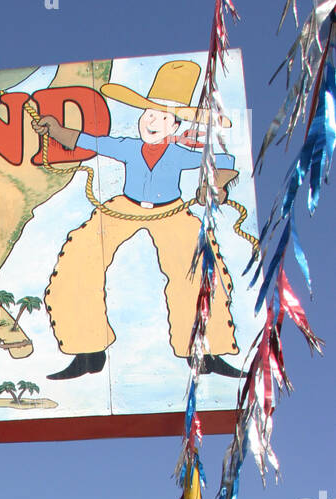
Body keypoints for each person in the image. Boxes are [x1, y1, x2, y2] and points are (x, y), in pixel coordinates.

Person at [34, 60, 244, 380]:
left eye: (162, 116)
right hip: (125, 207)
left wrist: (214, 185)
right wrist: (54, 128)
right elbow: (89, 141)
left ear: (175, 125)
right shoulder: (130, 148)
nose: (152, 121)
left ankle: (207, 350)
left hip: (170, 210)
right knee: (79, 255)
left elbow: (224, 161)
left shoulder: (180, 152)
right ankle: (87, 350)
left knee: (200, 264)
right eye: (148, 113)